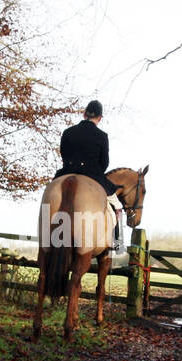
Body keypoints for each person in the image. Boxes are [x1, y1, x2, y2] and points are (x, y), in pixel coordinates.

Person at [54, 100, 125, 252]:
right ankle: (117, 245)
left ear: (84, 114)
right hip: (93, 175)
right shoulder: (102, 136)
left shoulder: (68, 132)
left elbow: (64, 154)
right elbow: (104, 163)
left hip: (66, 172)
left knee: (51, 196)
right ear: (100, 117)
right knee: (117, 206)